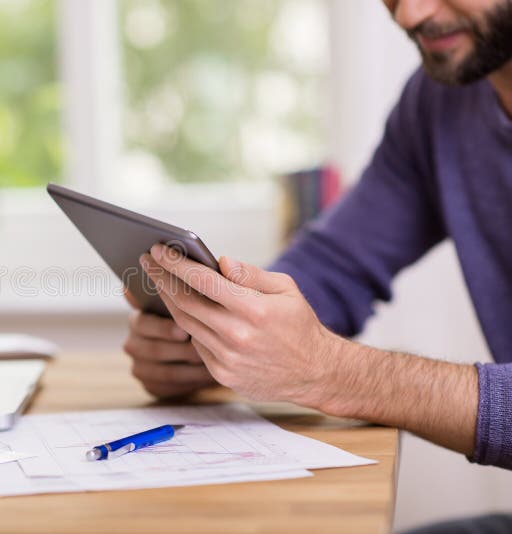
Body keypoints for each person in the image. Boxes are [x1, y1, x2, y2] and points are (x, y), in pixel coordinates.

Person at [123, 1, 512, 531]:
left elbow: (326, 359)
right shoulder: (439, 104)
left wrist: (331, 371)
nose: (410, 15)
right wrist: (222, 335)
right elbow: (337, 264)